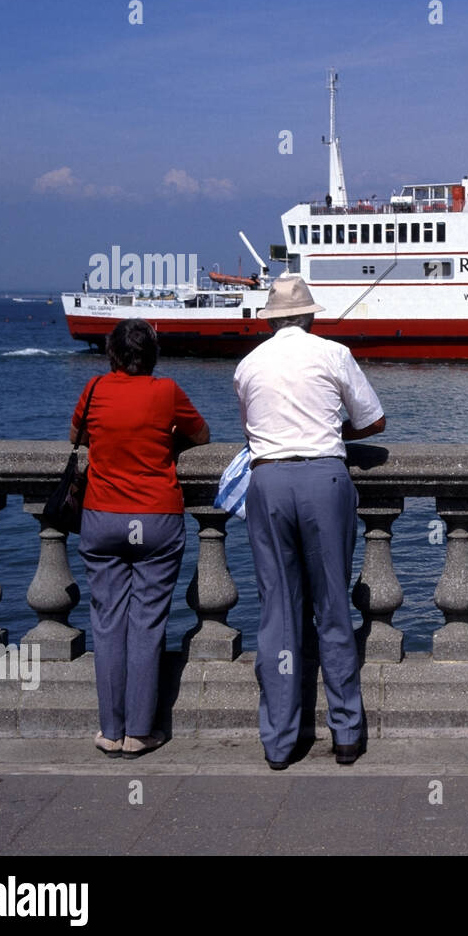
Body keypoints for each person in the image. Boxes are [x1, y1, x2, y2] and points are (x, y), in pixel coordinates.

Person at [233, 274, 386, 769]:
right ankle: (345, 734)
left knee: (278, 613)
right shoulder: (333, 353)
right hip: (325, 478)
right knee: (333, 607)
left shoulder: (247, 365)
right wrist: (331, 428)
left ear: (271, 320)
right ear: (311, 316)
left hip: (269, 481)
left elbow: (255, 428)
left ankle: (280, 741)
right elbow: (374, 421)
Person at [73, 319, 209, 759]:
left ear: (112, 354)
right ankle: (140, 732)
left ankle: (110, 731)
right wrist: (165, 438)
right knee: (147, 623)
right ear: (153, 355)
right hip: (156, 519)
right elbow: (201, 435)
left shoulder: (93, 390)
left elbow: (78, 435)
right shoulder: (167, 391)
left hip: (102, 517)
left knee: (107, 624)